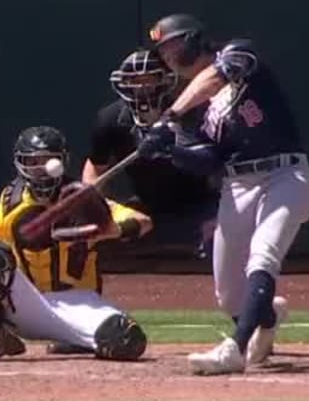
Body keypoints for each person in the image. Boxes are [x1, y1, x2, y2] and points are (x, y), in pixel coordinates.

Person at [135, 14, 309, 375]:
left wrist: (169, 116)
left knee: (262, 257)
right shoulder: (196, 111)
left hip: (284, 175)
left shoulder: (239, 54)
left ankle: (235, 347)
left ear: (194, 39)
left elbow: (215, 75)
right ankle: (268, 315)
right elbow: (208, 161)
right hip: (238, 185)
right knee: (228, 295)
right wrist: (169, 150)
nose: (168, 56)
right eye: (162, 52)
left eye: (172, 45)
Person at [0, 125, 149, 362]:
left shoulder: (83, 201)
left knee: (128, 341)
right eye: (34, 161)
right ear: (20, 164)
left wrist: (111, 230)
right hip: (26, 304)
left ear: (63, 161)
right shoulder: (8, 209)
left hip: (78, 302)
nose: (43, 169)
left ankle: (75, 339)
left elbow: (144, 222)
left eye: (49, 160)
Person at [84, 47, 220, 258]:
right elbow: (95, 167)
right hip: (147, 207)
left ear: (164, 80)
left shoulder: (188, 111)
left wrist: (172, 149)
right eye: (135, 81)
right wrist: (96, 205)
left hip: (198, 204)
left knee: (220, 240)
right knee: (105, 237)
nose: (143, 88)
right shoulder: (111, 119)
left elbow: (213, 160)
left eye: (149, 80)